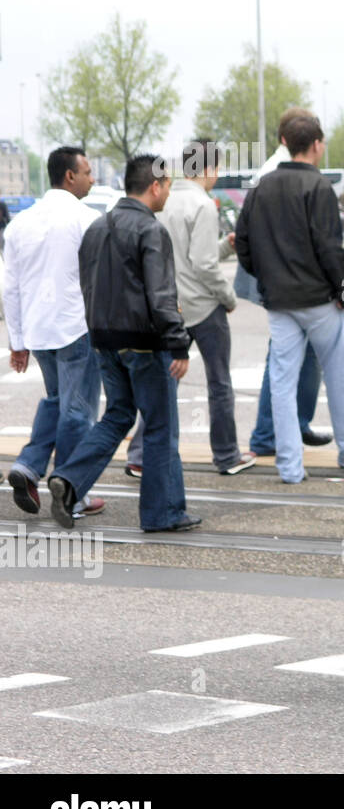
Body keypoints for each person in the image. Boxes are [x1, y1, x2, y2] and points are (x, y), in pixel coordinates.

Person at [47, 155, 198, 532]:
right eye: (167, 187)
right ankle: (162, 514)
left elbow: (85, 285)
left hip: (103, 339)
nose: (167, 194)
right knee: (161, 426)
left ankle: (68, 478)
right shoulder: (151, 230)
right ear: (155, 186)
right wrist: (178, 344)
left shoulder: (97, 228)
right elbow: (162, 294)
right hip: (146, 342)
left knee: (117, 415)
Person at [236, 110, 344, 483]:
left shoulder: (261, 187)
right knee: (337, 374)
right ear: (316, 145)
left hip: (279, 302)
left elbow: (244, 245)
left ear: (285, 143)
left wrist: (267, 279)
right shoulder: (318, 187)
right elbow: (332, 250)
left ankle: (290, 467)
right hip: (319, 300)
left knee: (282, 383)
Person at [3, 147, 106, 519]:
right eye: (88, 172)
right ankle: (70, 490)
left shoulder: (19, 224)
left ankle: (29, 465)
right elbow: (100, 278)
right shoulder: (85, 219)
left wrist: (17, 341)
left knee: (57, 399)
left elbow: (9, 287)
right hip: (76, 326)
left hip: (37, 329)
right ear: (70, 176)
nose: (92, 178)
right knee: (78, 411)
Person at [237, 114, 332, 458]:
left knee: (304, 354)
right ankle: (267, 433)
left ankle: (295, 423)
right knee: (283, 355)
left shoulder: (278, 170)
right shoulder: (277, 174)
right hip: (284, 279)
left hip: (280, 276)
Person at [158, 141, 255, 475]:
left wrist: (222, 249)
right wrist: (228, 297)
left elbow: (182, 256)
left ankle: (142, 454)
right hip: (203, 307)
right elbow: (202, 264)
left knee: (166, 383)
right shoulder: (203, 204)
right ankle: (227, 455)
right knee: (219, 383)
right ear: (209, 169)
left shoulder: (164, 200)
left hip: (171, 307)